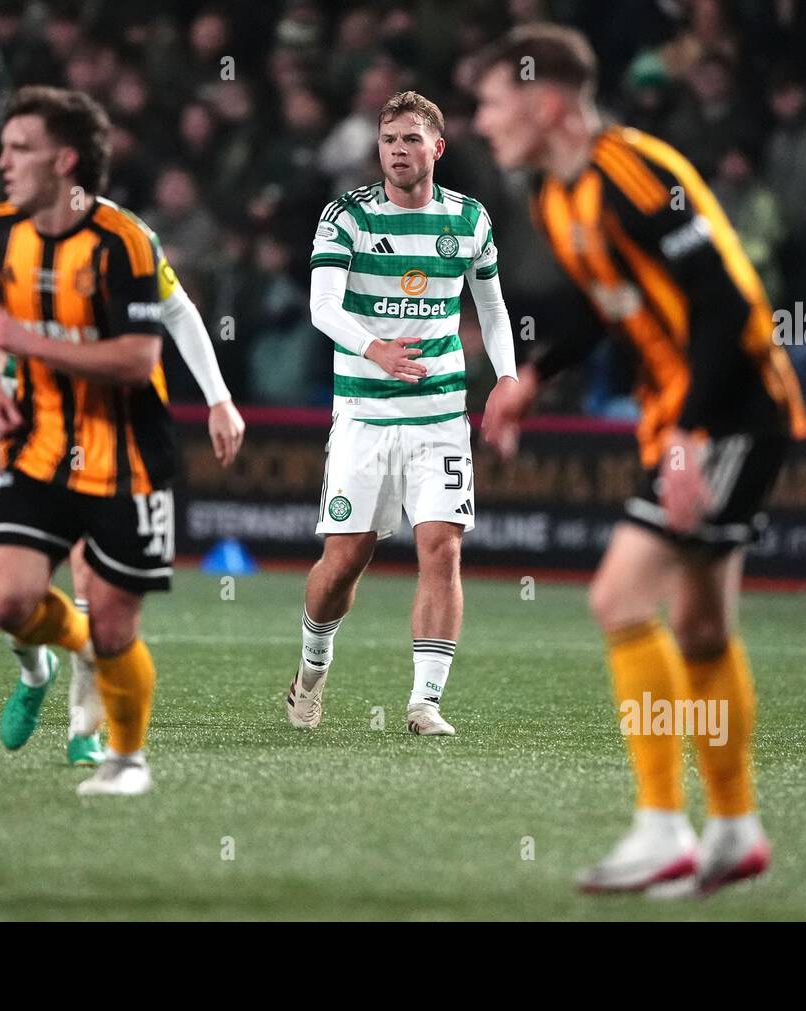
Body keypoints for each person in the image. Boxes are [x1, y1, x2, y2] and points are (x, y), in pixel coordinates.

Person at [473, 24, 806, 893]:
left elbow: (723, 301)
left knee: (618, 596)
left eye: (492, 102)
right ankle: (734, 831)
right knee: (699, 628)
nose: (481, 120)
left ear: (548, 104)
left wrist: (694, 437)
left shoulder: (632, 172)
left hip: (731, 411)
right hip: (693, 420)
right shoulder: (558, 196)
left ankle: (662, 828)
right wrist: (533, 378)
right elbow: (607, 306)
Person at [0, 85, 244, 795]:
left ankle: (115, 751)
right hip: (38, 445)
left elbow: (144, 352)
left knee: (111, 619)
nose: (1, 161)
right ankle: (44, 666)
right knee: (8, 599)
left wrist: (218, 398)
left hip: (125, 457)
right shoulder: (1, 232)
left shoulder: (124, 242)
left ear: (64, 161)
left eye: (18, 148)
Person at [287, 90, 518, 737]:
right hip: (363, 412)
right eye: (389, 140)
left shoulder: (469, 219)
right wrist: (375, 347)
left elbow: (493, 309)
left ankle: (424, 702)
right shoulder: (346, 217)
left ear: (436, 148)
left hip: (441, 413)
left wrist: (507, 379)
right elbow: (323, 307)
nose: (398, 150)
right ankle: (311, 668)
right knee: (342, 566)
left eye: (411, 139)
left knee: (441, 548)